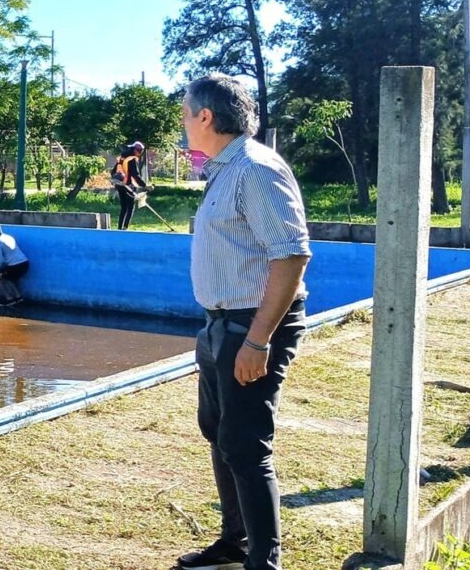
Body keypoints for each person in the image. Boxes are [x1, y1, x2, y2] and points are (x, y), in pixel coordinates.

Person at [177, 74, 311, 570]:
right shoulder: (224, 170)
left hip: (249, 327)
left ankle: (264, 562)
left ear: (205, 116)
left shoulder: (256, 168)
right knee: (219, 432)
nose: (184, 122)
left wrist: (258, 340)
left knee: (246, 444)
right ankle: (235, 544)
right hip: (218, 326)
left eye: (186, 112)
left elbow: (292, 256)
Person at [0, 224, 29, 307]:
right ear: (1, 230)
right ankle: (18, 298)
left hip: (15, 266)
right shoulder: (9, 237)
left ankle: (9, 299)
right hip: (25, 263)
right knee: (8, 278)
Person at [113, 142, 150, 230]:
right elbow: (135, 175)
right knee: (130, 207)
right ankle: (125, 228)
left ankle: (119, 228)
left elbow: (113, 171)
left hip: (119, 184)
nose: (140, 153)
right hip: (128, 185)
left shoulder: (122, 157)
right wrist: (144, 186)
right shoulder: (132, 160)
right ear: (135, 150)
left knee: (123, 207)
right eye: (140, 151)